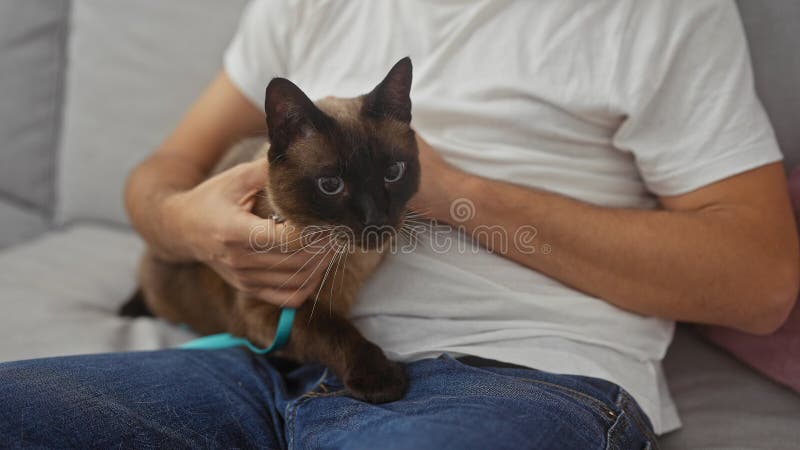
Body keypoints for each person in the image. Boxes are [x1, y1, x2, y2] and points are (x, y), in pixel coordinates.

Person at [1, 0, 797, 448]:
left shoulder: (656, 13)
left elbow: (759, 285)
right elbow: (160, 177)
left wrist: (450, 190)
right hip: (268, 363)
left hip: (511, 378)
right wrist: (193, 227)